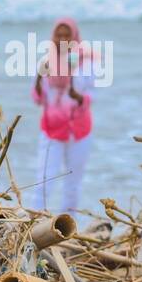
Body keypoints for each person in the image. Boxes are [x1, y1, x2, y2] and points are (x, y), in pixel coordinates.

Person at [27, 17, 95, 213]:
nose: (63, 39)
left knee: (73, 183)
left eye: (68, 35)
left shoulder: (85, 63)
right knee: (44, 180)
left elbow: (94, 95)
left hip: (79, 130)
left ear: (74, 37)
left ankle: (68, 228)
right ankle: (34, 224)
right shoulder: (46, 62)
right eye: (59, 35)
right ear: (54, 36)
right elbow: (37, 99)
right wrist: (40, 78)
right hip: (51, 129)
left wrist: (79, 97)